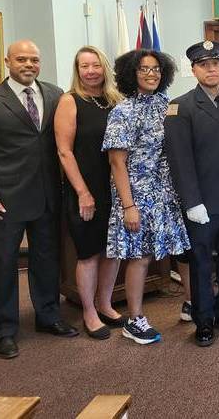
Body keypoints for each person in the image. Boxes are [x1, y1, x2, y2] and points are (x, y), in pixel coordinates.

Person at [0, 40, 79, 360]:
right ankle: (3, 329)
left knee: (47, 260)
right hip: (5, 199)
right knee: (3, 266)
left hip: (47, 196)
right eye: (21, 59)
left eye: (34, 59)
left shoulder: (56, 94)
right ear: (7, 61)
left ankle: (49, 316)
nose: (28, 64)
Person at [164, 40, 219, 347]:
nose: (211, 68)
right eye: (204, 64)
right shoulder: (181, 106)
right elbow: (179, 159)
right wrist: (191, 202)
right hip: (203, 203)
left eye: (215, 62)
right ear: (194, 70)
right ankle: (204, 320)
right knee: (201, 262)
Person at [104, 49, 191, 345]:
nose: (151, 74)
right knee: (140, 257)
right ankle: (135, 319)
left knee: (183, 250)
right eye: (144, 69)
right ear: (131, 73)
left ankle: (193, 305)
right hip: (137, 195)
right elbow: (117, 162)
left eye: (156, 69)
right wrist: (128, 206)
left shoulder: (170, 106)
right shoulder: (123, 111)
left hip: (168, 192)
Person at [53, 46, 125, 340]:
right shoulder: (70, 101)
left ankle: (105, 304)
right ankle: (89, 312)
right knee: (89, 253)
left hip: (115, 189)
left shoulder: (115, 101)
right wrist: (83, 192)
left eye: (96, 65)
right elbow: (64, 151)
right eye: (85, 66)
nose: (91, 71)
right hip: (85, 188)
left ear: (104, 68)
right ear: (77, 70)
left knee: (112, 250)